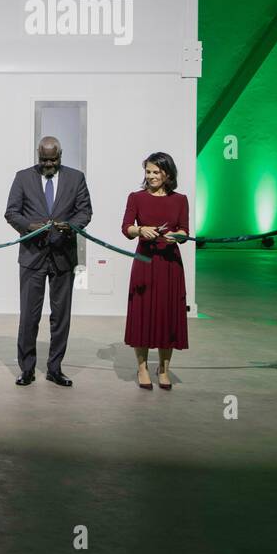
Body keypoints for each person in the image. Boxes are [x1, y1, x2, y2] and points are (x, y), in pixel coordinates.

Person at [3, 136, 93, 387]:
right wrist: (30, 227)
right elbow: (11, 212)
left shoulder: (76, 178)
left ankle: (55, 368)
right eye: (44, 159)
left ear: (61, 155)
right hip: (32, 256)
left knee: (61, 316)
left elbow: (85, 211)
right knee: (29, 316)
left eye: (53, 159)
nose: (48, 163)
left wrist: (71, 226)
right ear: (37, 155)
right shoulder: (23, 177)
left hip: (63, 256)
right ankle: (27, 369)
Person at [121, 152, 189, 391]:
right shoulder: (136, 197)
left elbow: (185, 232)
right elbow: (126, 227)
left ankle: (163, 369)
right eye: (148, 172)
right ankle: (142, 368)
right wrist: (141, 231)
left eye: (156, 172)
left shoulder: (180, 200)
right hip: (144, 260)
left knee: (167, 313)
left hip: (170, 263)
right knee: (143, 312)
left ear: (167, 174)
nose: (151, 176)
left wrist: (176, 236)